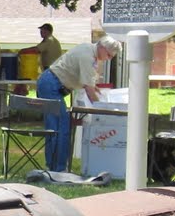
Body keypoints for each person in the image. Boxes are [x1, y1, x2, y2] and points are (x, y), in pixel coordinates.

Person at [36, 36, 120, 172]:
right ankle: (58, 169)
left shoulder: (89, 51)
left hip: (53, 83)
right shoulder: (88, 57)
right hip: (51, 84)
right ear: (102, 47)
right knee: (59, 127)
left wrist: (94, 88)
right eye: (109, 55)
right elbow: (88, 89)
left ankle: (54, 165)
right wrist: (104, 109)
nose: (108, 59)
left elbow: (89, 83)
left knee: (59, 126)